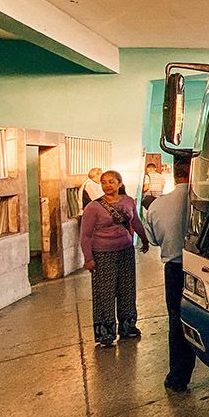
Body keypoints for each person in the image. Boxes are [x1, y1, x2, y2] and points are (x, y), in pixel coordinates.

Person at [143, 156, 196, 391]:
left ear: (175, 175)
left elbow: (153, 240)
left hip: (175, 269)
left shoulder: (157, 205)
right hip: (208, 269)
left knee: (177, 320)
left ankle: (178, 377)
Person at [80, 170, 150, 346]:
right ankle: (106, 333)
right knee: (104, 292)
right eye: (104, 182)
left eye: (111, 181)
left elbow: (135, 222)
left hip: (125, 250)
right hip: (102, 254)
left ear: (119, 183)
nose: (107, 185)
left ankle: (128, 327)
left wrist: (144, 239)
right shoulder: (93, 207)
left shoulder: (128, 201)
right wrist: (88, 258)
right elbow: (85, 235)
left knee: (127, 289)